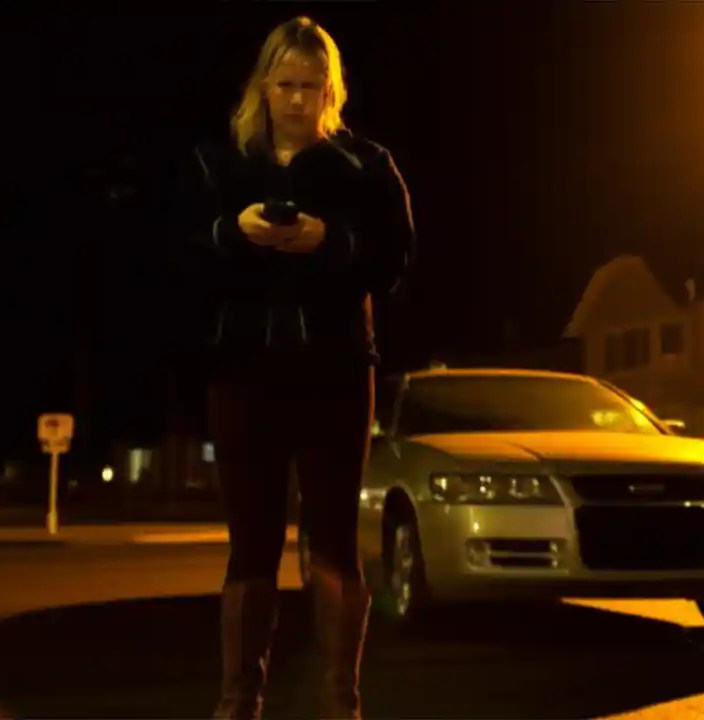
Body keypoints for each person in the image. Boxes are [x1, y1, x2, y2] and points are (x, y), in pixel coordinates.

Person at [168, 15, 415, 720]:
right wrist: (229, 232)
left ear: (331, 90)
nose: (298, 100)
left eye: (311, 86)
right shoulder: (220, 165)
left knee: (334, 542)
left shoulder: (366, 165)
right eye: (286, 85)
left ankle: (341, 702)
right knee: (251, 544)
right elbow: (171, 255)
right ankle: (238, 699)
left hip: (336, 374)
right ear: (263, 86)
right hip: (243, 375)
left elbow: (396, 260)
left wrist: (329, 241)